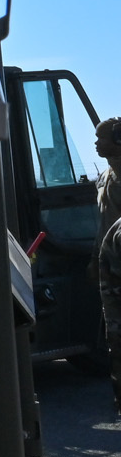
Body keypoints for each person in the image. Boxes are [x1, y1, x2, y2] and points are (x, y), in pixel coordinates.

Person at [96, 117, 121, 410]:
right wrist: (95, 261)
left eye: (101, 137)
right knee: (114, 339)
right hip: (109, 268)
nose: (96, 143)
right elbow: (102, 225)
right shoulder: (105, 177)